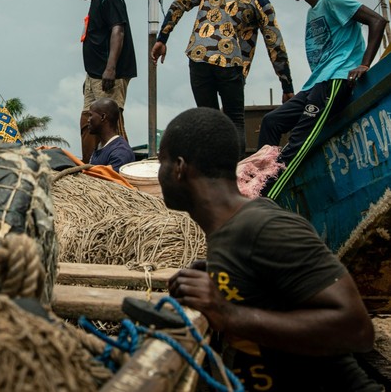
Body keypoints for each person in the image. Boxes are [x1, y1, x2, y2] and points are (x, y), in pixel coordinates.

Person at [160, 107, 380, 391]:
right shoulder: (228, 231)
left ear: (179, 168)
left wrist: (228, 313)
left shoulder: (265, 227)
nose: (159, 173)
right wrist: (222, 277)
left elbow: (357, 330)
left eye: (162, 162)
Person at [258, 0, 388, 198]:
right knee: (271, 121)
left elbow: (377, 20)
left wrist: (364, 64)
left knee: (298, 142)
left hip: (335, 80)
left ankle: (263, 197)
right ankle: (259, 179)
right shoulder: (313, 11)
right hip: (316, 83)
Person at [150, 0, 294, 157]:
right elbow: (276, 46)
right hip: (230, 62)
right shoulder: (261, 1)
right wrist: (287, 87)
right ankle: (232, 174)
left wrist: (162, 39)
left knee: (207, 119)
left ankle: (208, 171)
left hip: (198, 55)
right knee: (234, 120)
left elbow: (179, 3)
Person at [68, 0, 137, 163]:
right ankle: (90, 168)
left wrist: (110, 68)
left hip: (108, 75)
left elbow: (118, 31)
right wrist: (89, 76)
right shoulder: (96, 0)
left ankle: (122, 167)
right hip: (94, 75)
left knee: (110, 124)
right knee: (87, 122)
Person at [85, 98, 134, 169]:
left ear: (103, 117)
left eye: (90, 115)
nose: (88, 120)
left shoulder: (120, 152)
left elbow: (111, 179)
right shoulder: (101, 147)